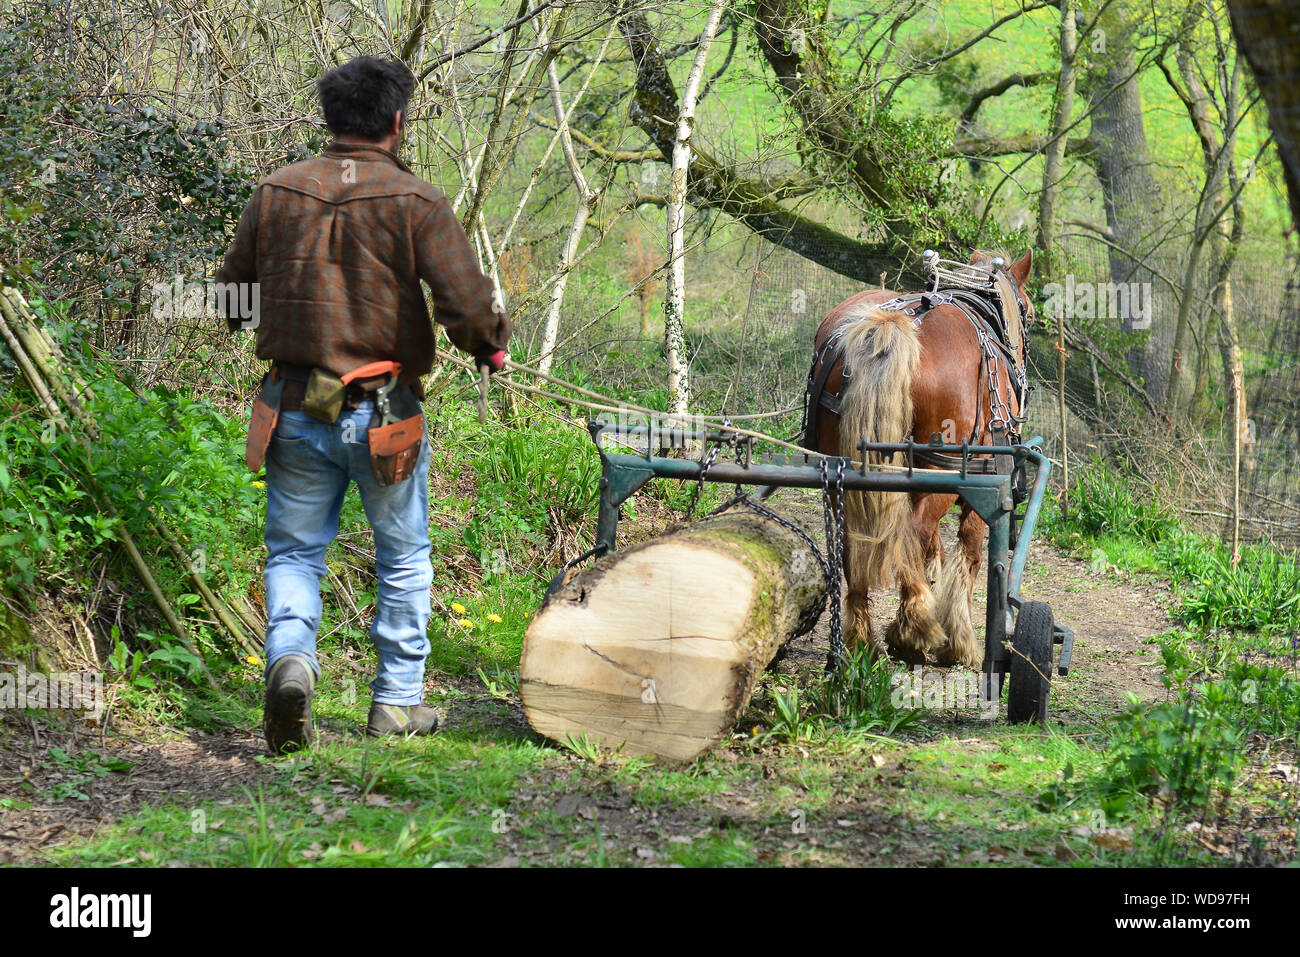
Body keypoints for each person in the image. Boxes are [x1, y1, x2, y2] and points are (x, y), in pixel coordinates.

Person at [215, 56, 510, 755]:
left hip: (290, 403)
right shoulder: (418, 202)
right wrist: (489, 346)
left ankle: (292, 661)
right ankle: (396, 705)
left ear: (330, 120)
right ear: (398, 121)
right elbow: (467, 306)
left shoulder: (275, 192)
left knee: (293, 550)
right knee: (403, 558)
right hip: (384, 413)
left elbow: (230, 301)